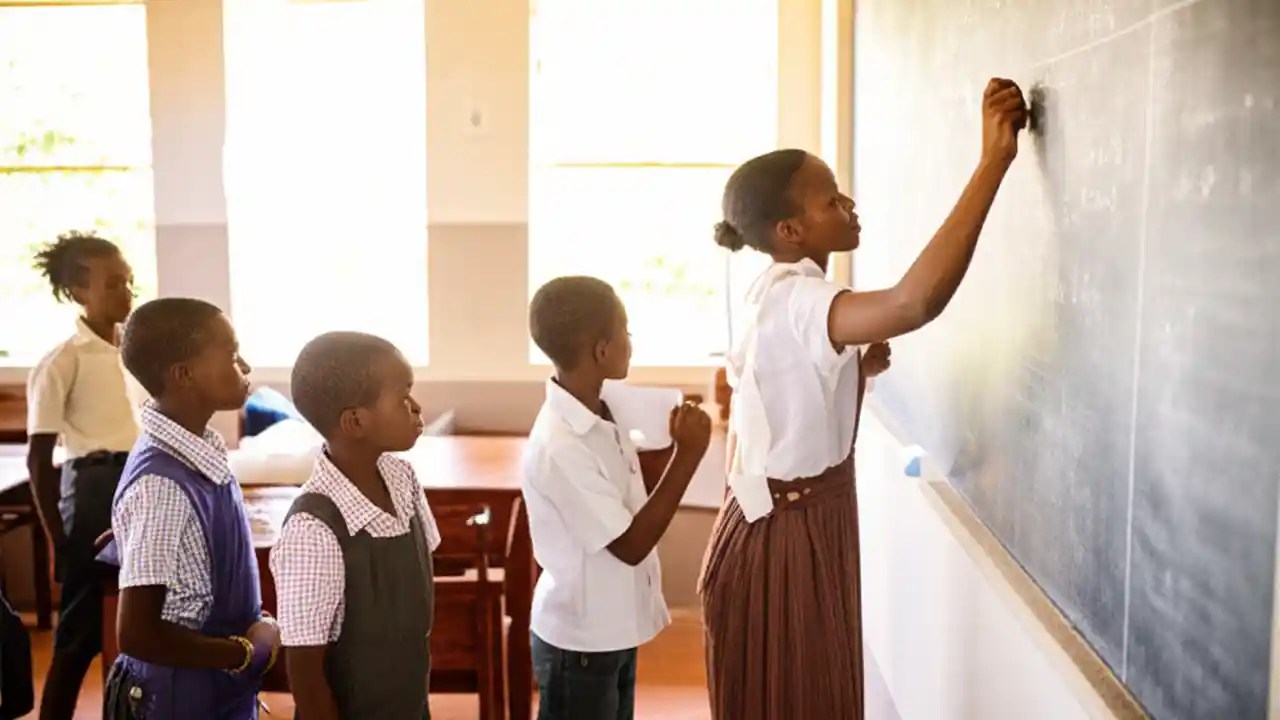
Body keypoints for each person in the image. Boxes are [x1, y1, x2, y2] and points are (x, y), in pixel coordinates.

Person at [699, 77, 1028, 719]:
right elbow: (913, 302)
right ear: (791, 229)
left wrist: (853, 371)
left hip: (790, 521)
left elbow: (786, 396)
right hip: (783, 537)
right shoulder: (801, 300)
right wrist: (993, 162)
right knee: (801, 701)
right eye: (830, 200)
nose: (848, 204)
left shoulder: (780, 288)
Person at [522, 276, 712, 720]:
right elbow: (628, 546)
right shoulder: (561, 445)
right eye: (625, 332)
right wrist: (687, 457)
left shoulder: (599, 402)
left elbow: (636, 456)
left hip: (611, 629)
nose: (631, 342)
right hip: (581, 643)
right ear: (602, 350)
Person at [101, 297, 279, 720]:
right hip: (180, 697)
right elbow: (138, 635)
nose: (246, 367)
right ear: (184, 375)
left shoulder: (196, 449)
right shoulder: (162, 484)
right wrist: (248, 650)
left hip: (215, 689)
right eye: (233, 357)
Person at [270, 331, 440, 720]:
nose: (415, 408)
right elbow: (307, 676)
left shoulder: (403, 479)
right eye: (403, 397)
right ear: (355, 421)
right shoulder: (313, 529)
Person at [25, 230, 141, 720]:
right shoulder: (62, 361)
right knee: (79, 630)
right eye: (113, 284)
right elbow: (39, 459)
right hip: (92, 489)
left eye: (129, 282)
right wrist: (58, 540)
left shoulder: (137, 354)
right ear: (79, 292)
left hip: (138, 482)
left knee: (140, 613)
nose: (126, 293)